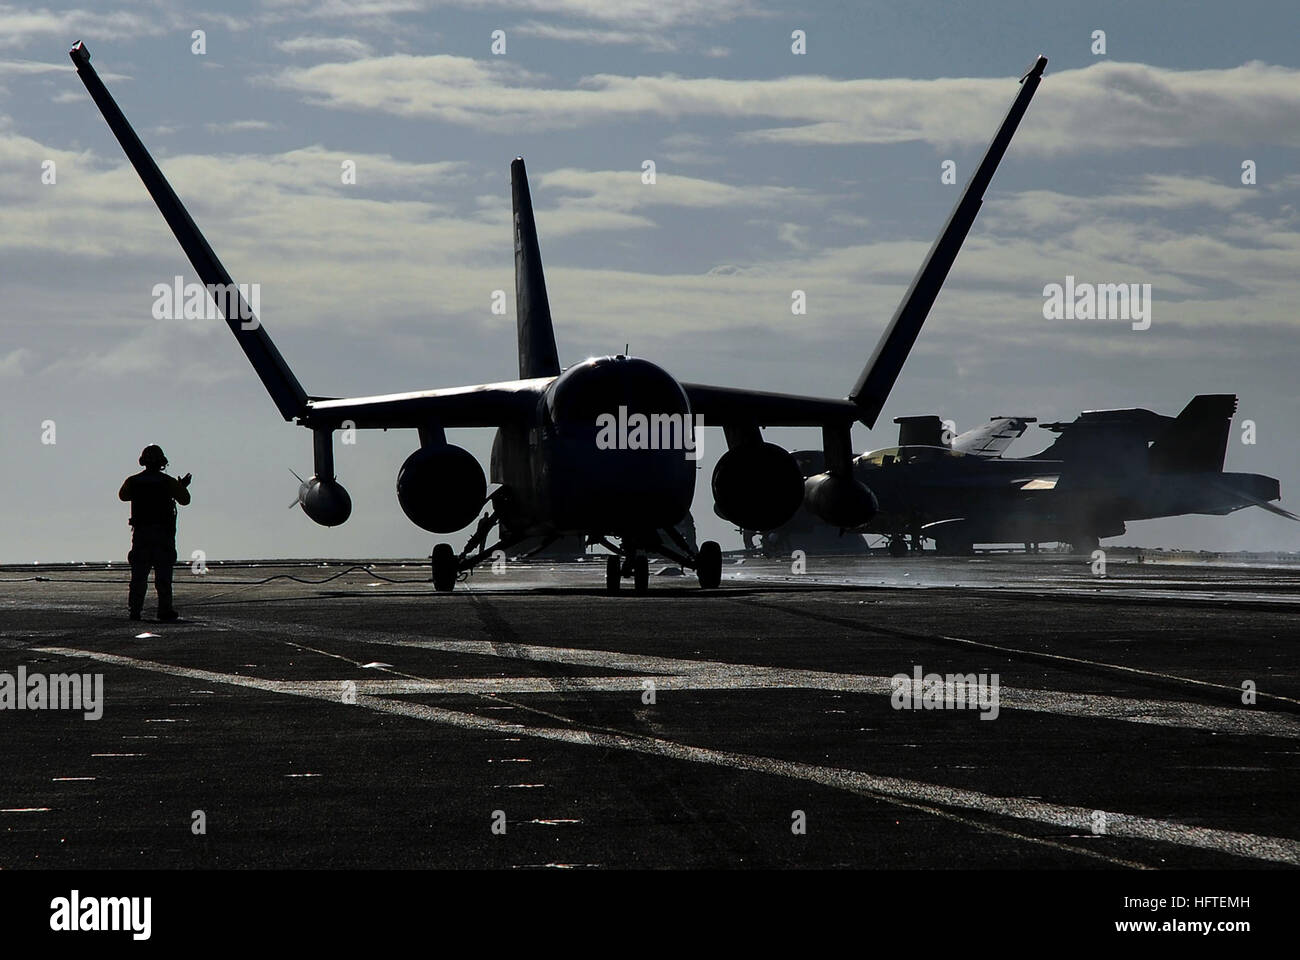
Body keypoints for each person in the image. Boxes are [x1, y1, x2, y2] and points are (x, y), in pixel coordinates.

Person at [119, 444, 191, 621]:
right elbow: (185, 500)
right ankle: (164, 610)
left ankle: (135, 610)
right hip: (163, 536)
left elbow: (123, 496)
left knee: (139, 576)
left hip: (141, 535)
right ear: (162, 462)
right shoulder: (168, 482)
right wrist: (182, 486)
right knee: (163, 576)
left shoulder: (133, 481)